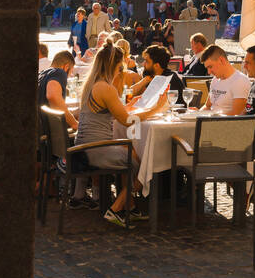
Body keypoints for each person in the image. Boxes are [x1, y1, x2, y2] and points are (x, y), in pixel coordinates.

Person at [76, 41, 169, 227]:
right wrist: (156, 109)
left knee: (132, 152)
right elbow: (127, 120)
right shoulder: (106, 88)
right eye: (120, 68)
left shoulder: (93, 84)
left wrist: (129, 105)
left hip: (85, 146)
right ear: (113, 66)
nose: (120, 72)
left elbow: (114, 112)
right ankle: (116, 209)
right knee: (140, 161)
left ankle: (130, 206)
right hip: (95, 150)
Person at [199, 44, 251, 114]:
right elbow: (207, 106)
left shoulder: (240, 81)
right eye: (207, 68)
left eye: (210, 67)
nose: (208, 72)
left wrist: (210, 118)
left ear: (221, 60)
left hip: (223, 123)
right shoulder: (215, 79)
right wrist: (197, 114)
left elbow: (237, 115)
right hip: (210, 120)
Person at [38, 50, 78, 132]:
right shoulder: (59, 72)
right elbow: (52, 96)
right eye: (70, 72)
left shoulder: (42, 74)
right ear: (66, 67)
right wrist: (74, 123)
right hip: (51, 133)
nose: (69, 76)